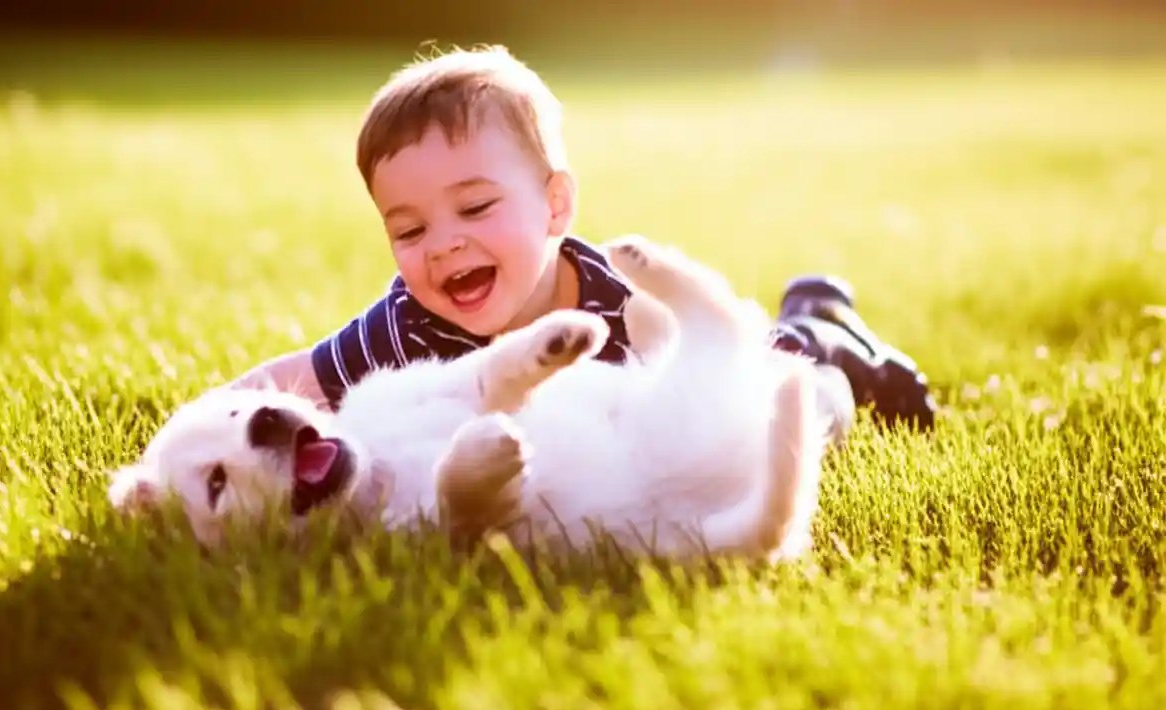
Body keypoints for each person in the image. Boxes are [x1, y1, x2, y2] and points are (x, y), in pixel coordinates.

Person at [231, 45, 936, 440]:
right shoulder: (408, 326)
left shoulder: (622, 310)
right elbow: (288, 383)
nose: (443, 245)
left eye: (475, 207)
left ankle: (827, 336)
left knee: (803, 407)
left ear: (554, 205)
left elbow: (722, 400)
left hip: (724, 365)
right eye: (409, 230)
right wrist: (189, 446)